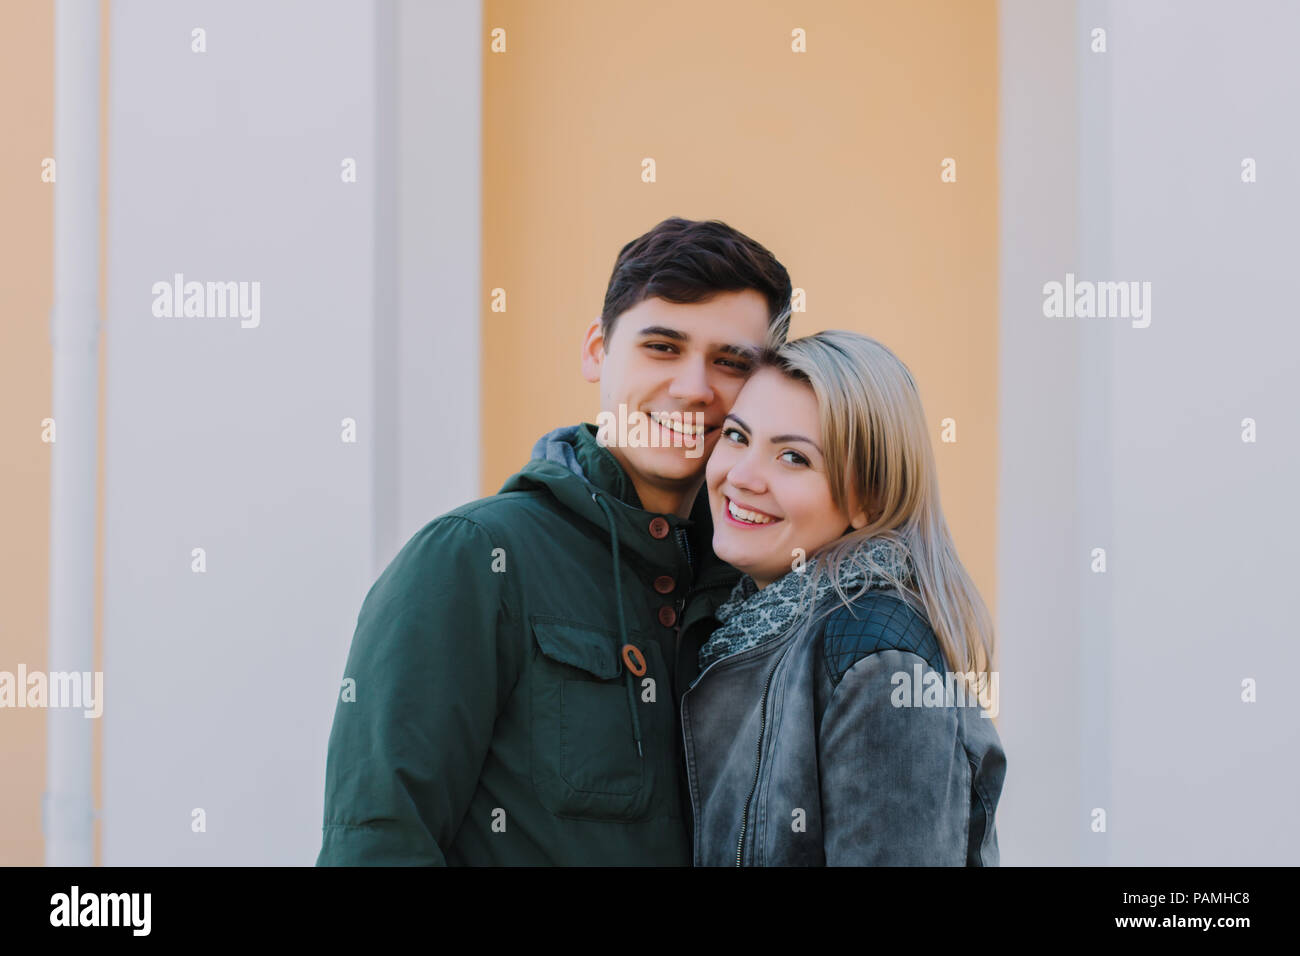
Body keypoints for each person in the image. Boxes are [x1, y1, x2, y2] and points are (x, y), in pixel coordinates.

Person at [316, 217, 792, 865]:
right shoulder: (471, 560)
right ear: (597, 350)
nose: (693, 388)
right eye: (662, 346)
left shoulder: (758, 588)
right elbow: (377, 843)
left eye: (731, 362)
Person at [681, 330, 1006, 866]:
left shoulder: (874, 657)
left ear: (868, 499)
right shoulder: (751, 625)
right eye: (738, 437)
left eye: (793, 457)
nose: (741, 476)